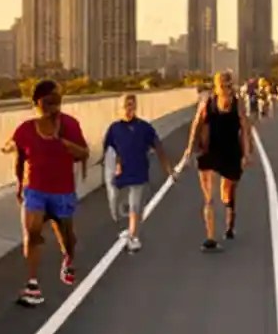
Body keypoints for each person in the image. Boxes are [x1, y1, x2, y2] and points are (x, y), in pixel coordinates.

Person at [1, 80, 89, 307]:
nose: (54, 106)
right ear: (37, 103)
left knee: (67, 237)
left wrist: (68, 145)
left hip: (62, 191)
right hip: (36, 190)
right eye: (49, 101)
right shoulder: (25, 129)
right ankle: (32, 284)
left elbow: (84, 152)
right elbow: (19, 158)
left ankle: (68, 258)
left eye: (57, 101)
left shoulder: (70, 124)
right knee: (32, 233)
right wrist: (20, 186)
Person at [181, 70, 251, 250]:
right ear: (216, 87)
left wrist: (247, 153)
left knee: (227, 192)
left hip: (231, 152)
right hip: (209, 151)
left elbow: (245, 129)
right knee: (209, 198)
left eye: (229, 85)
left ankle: (230, 220)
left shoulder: (238, 104)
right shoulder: (207, 103)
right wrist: (189, 148)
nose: (226, 88)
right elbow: (196, 124)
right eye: (223, 85)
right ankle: (210, 238)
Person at [98, 93, 175, 252]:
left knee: (135, 206)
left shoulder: (144, 127)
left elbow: (158, 147)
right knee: (115, 205)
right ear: (120, 108)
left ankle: (134, 237)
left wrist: (169, 170)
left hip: (139, 172)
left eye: (131, 105)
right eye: (126, 106)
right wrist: (111, 166)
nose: (129, 109)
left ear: (135, 107)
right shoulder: (114, 128)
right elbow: (108, 151)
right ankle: (127, 229)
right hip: (120, 175)